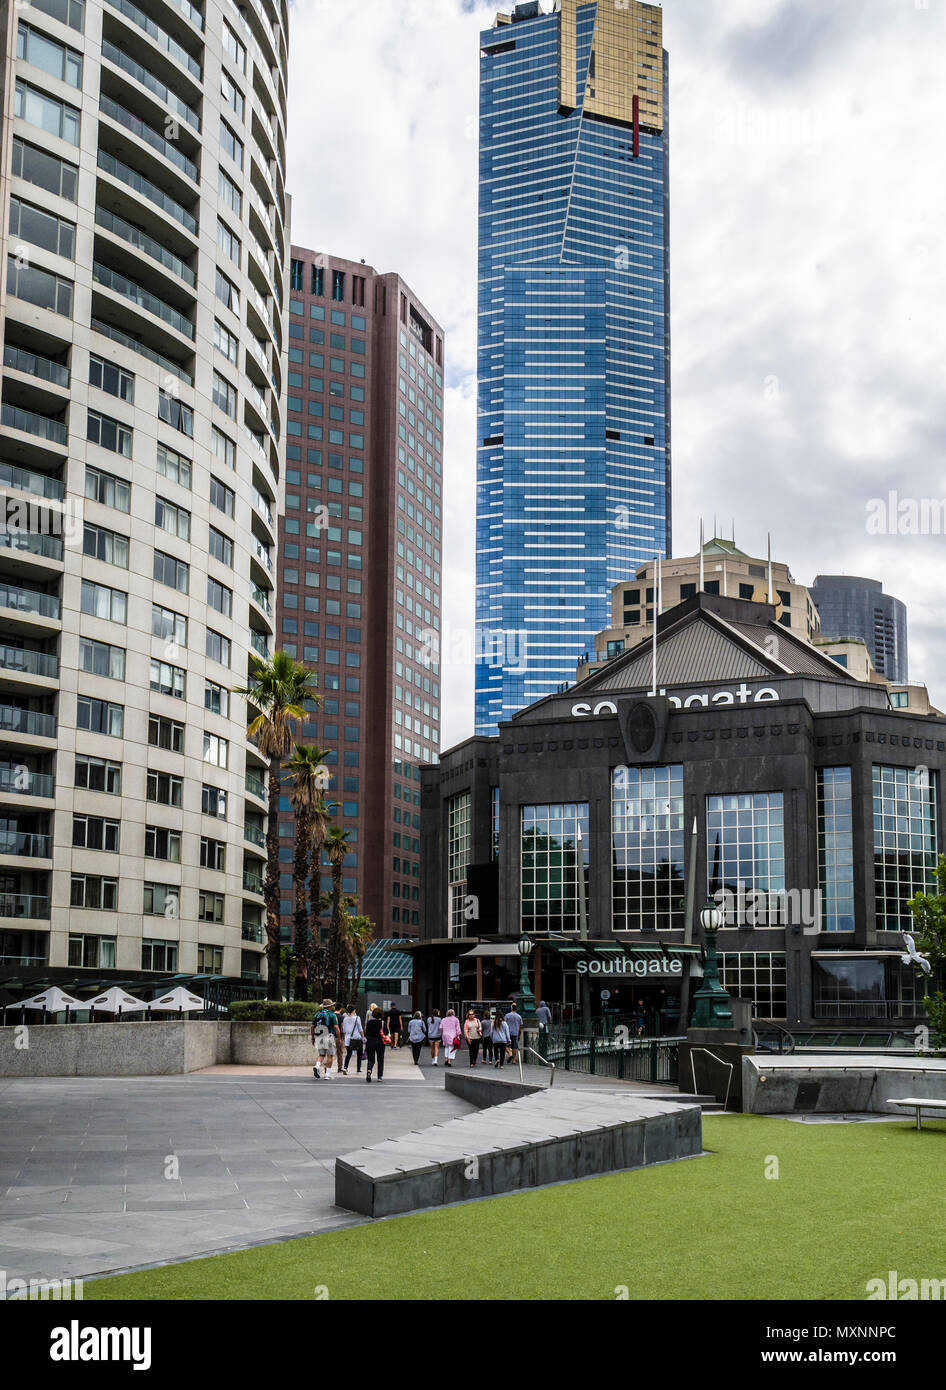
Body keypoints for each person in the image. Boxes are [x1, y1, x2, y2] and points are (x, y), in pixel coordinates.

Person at [311, 998, 340, 1080]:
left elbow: (312, 1027)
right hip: (329, 1036)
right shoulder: (332, 1015)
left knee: (321, 1055)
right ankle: (327, 1075)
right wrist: (339, 1037)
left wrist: (313, 1038)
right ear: (330, 1006)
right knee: (330, 1055)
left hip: (320, 1036)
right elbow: (336, 1027)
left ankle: (317, 1066)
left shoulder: (317, 1014)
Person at [364, 1004, 387, 1083]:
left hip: (370, 1042)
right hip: (380, 1043)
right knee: (380, 1059)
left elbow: (366, 1033)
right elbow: (386, 1033)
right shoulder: (382, 1023)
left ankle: (369, 1071)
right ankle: (379, 1076)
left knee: (371, 1059)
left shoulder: (369, 1023)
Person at [342, 1004, 365, 1074]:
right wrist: (363, 1037)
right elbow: (360, 1029)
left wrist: (344, 1039)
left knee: (349, 1053)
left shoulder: (345, 1019)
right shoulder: (357, 1018)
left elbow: (344, 1030)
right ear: (353, 1010)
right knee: (359, 1053)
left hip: (348, 1039)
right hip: (356, 1038)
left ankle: (345, 1068)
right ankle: (358, 1068)